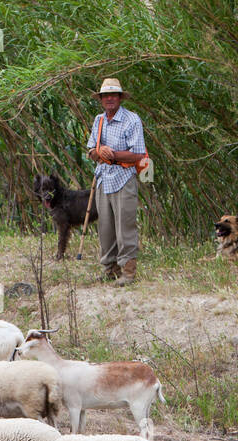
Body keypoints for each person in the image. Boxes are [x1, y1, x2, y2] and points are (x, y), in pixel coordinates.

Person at [85, 78, 147, 286]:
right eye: (105, 95)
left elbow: (138, 155)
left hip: (124, 178)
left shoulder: (132, 120)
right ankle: (109, 269)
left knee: (125, 226)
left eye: (113, 95)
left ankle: (128, 273)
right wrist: (98, 152)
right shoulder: (99, 120)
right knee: (106, 228)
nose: (109, 98)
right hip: (103, 179)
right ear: (101, 99)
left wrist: (110, 156)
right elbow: (90, 151)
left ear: (120, 98)